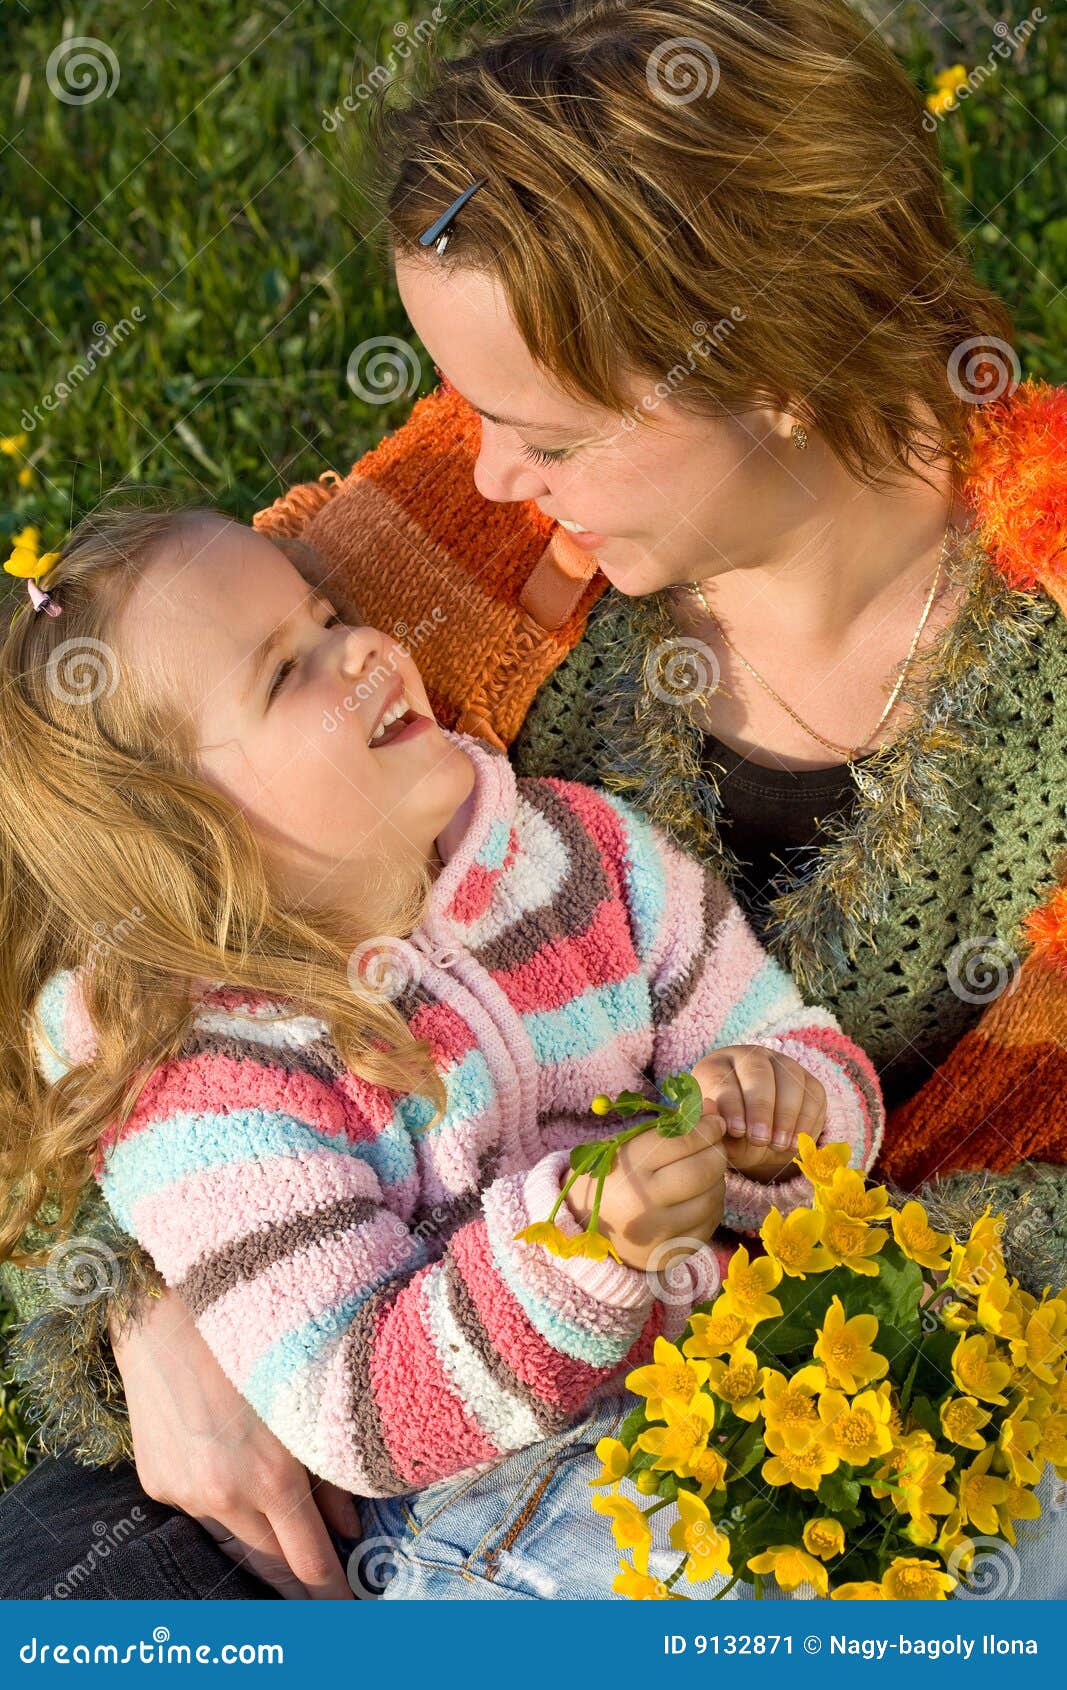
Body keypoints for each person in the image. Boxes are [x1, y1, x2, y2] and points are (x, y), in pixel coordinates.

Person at [3, 0, 1065, 1601]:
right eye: (471, 408)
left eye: (546, 432)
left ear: (771, 366)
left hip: (908, 1435)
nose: (486, 471)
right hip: (407, 1401)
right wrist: (149, 1296)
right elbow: (106, 847)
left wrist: (837, 1300)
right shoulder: (455, 547)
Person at [0, 506, 881, 1599]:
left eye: (328, 618)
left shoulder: (573, 852)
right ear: (186, 836)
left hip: (729, 1406)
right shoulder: (208, 1076)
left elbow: (795, 1047)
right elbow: (356, 1400)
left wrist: (780, 1115)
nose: (362, 650)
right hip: (478, 1508)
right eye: (286, 673)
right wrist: (579, 1238)